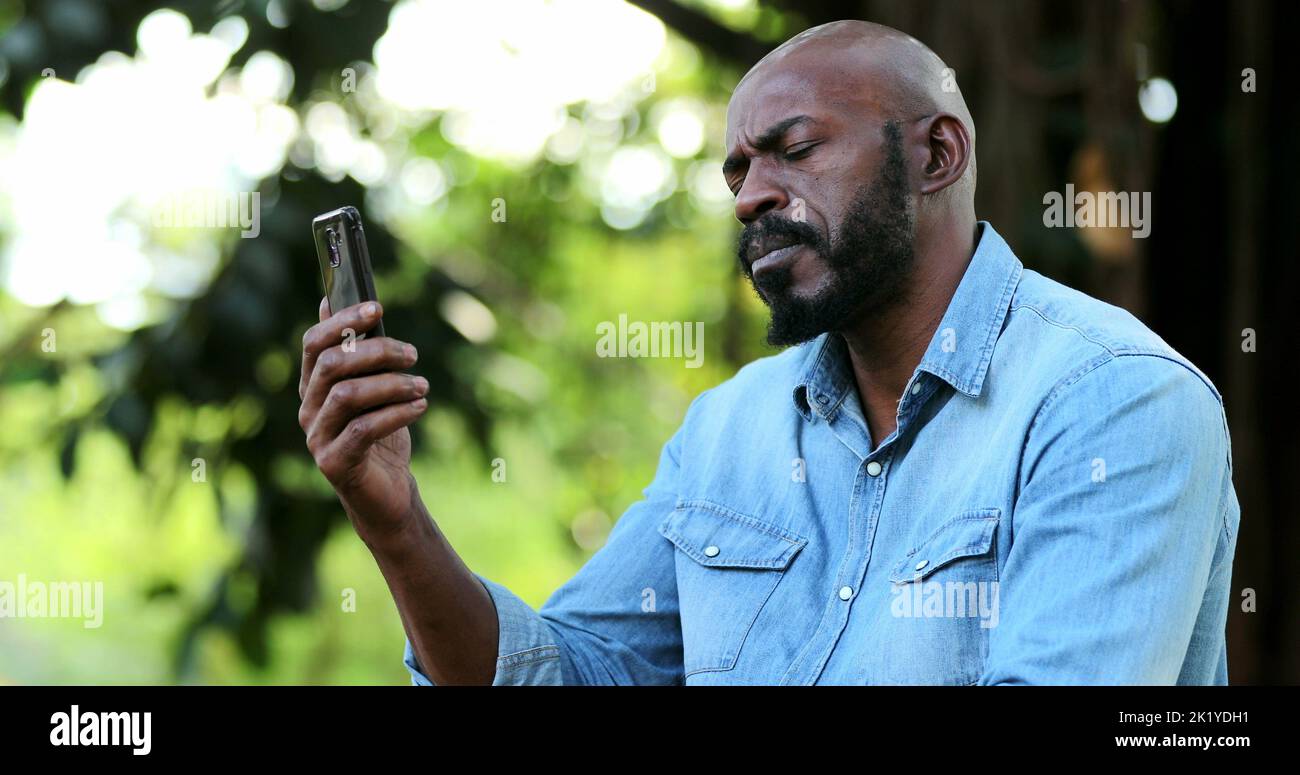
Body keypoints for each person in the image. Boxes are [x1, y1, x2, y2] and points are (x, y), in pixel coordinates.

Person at [297, 20, 1239, 685]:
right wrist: (399, 525)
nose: (751, 196)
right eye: (738, 171)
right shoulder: (728, 432)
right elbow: (568, 675)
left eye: (794, 149)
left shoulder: (1112, 403)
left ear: (936, 156)